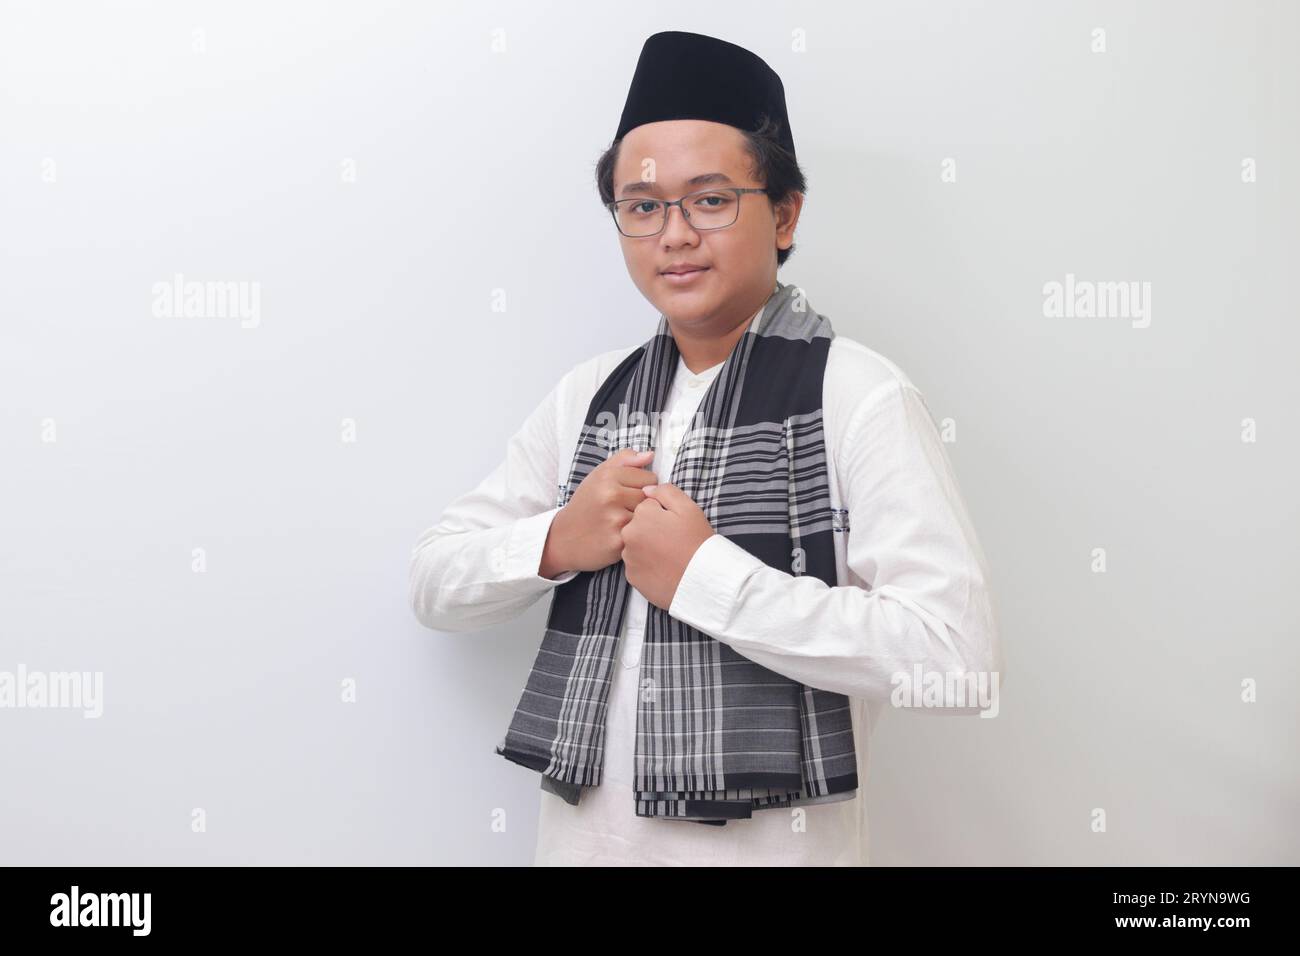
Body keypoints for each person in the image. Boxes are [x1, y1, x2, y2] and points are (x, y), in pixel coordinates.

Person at [409, 30, 1001, 866]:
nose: (674, 234)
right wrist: (555, 542)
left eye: (711, 199)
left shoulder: (857, 395)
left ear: (785, 211)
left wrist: (710, 579)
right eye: (642, 206)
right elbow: (434, 583)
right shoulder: (588, 397)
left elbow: (957, 656)